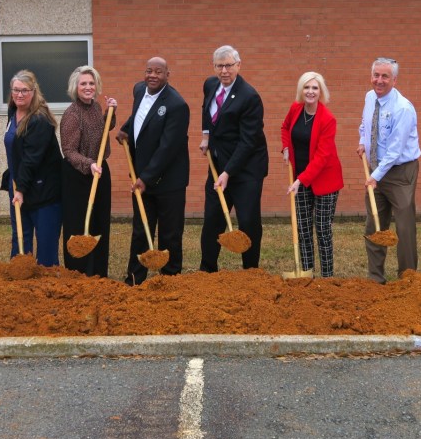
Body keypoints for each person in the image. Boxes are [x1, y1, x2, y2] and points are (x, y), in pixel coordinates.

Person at [116, 57, 190, 285]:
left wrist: (146, 178)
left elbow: (168, 148)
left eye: (159, 72)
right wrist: (125, 129)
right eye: (149, 71)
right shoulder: (139, 90)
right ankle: (135, 278)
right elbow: (139, 116)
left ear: (168, 74)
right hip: (142, 178)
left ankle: (169, 279)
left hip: (169, 182)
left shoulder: (177, 105)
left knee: (169, 233)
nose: (153, 76)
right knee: (140, 230)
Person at [199, 45, 269, 272]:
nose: (224, 71)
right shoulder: (210, 85)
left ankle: (250, 271)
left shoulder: (250, 97)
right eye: (219, 66)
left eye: (229, 65)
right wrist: (206, 136)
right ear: (214, 67)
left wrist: (228, 173)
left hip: (246, 169)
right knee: (212, 219)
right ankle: (207, 268)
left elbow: (248, 141)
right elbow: (207, 111)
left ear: (239, 65)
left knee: (247, 221)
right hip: (218, 165)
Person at [357, 57, 421, 284]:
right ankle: (376, 278)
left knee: (404, 227)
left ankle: (407, 277)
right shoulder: (369, 97)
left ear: (394, 79)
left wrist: (375, 176)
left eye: (385, 76)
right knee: (374, 225)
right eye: (376, 75)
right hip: (376, 169)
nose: (379, 80)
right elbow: (365, 124)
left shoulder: (403, 108)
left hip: (400, 172)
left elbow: (395, 150)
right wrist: (363, 141)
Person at [281, 72, 344, 278]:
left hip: (324, 181)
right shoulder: (295, 109)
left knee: (323, 229)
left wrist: (301, 180)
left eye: (315, 88)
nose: (310, 92)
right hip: (299, 179)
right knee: (303, 227)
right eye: (307, 87)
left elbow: (322, 157)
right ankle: (306, 273)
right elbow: (285, 127)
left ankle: (327, 277)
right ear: (301, 90)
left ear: (321, 92)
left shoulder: (328, 119)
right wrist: (285, 147)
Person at [61, 66, 118, 278]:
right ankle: (78, 274)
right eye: (83, 83)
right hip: (79, 176)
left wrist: (110, 112)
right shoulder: (72, 114)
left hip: (99, 171)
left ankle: (98, 274)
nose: (88, 87)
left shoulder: (94, 108)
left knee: (99, 223)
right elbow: (68, 151)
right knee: (79, 225)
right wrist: (88, 164)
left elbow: (103, 131)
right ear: (75, 87)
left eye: (91, 83)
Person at [2, 70, 62, 267]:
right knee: (20, 238)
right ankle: (21, 281)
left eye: (25, 91)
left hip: (43, 189)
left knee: (45, 243)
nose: (20, 94)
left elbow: (31, 159)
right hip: (19, 184)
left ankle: (47, 285)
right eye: (16, 90)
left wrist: (20, 190)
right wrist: (17, 187)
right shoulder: (13, 113)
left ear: (34, 92)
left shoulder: (39, 120)